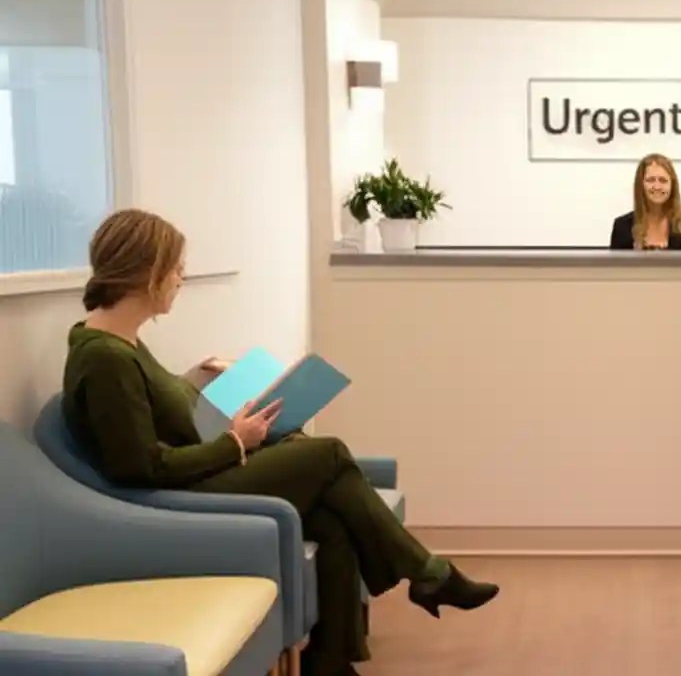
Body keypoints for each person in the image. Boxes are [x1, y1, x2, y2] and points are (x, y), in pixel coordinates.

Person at [61, 209, 499, 676]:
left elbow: (158, 412)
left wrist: (216, 395)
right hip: (174, 498)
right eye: (175, 266)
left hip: (197, 472)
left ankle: (331, 659)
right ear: (146, 274)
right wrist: (235, 442)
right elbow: (140, 467)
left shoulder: (122, 343)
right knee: (329, 454)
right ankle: (428, 574)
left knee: (332, 516)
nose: (181, 277)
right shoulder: (105, 359)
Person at [610, 152, 681, 250]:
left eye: (663, 180)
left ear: (672, 185)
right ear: (640, 185)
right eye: (650, 180)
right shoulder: (622, 227)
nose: (657, 187)